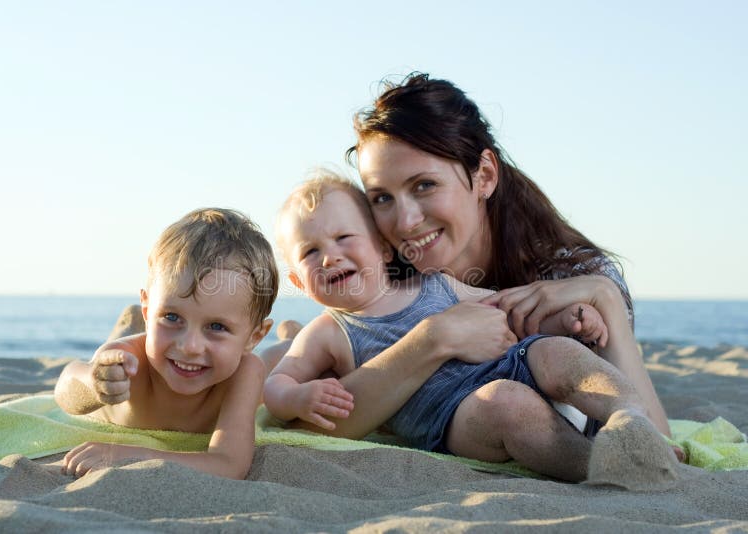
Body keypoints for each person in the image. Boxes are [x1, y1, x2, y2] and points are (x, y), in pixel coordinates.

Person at [260, 72, 672, 444]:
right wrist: (434, 338)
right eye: (382, 198)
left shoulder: (568, 274)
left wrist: (604, 296)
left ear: (485, 176)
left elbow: (653, 437)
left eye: (424, 185)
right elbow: (308, 425)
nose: (404, 221)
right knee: (288, 353)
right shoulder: (382, 276)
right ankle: (290, 333)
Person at [263, 174, 676, 482]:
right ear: (299, 281)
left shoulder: (435, 283)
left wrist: (563, 320)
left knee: (557, 352)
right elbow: (278, 381)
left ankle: (631, 422)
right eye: (310, 252)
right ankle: (598, 464)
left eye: (343, 238)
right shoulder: (328, 331)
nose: (329, 258)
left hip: (512, 360)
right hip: (452, 415)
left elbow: (508, 309)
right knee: (507, 403)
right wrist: (297, 397)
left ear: (383, 247)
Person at [54, 208, 277, 479]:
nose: (190, 346)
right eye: (172, 317)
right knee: (119, 344)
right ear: (148, 310)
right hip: (127, 361)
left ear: (254, 337)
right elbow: (65, 390)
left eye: (217, 327)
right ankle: (129, 326)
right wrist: (94, 380)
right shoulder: (125, 363)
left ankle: (290, 336)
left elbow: (228, 464)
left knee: (277, 369)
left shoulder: (246, 372)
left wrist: (131, 455)